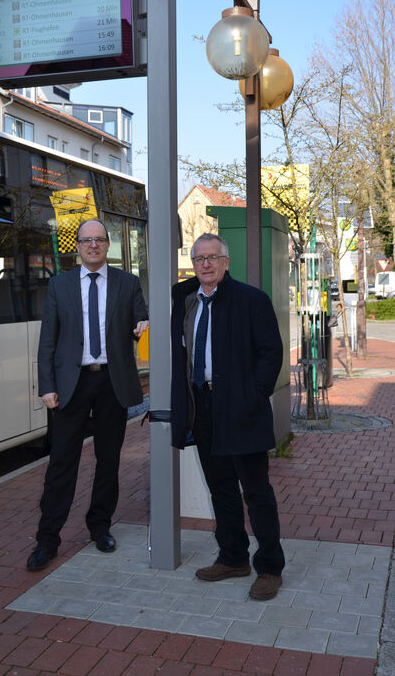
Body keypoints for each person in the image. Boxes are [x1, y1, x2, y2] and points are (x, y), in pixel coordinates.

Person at [27, 218, 148, 570]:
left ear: (108, 245)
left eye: (99, 239)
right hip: (71, 384)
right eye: (86, 240)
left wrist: (143, 324)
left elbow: (141, 317)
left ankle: (100, 527)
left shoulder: (127, 283)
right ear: (77, 246)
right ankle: (47, 540)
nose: (93, 245)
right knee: (62, 463)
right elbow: (48, 338)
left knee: (108, 461)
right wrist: (46, 385)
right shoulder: (60, 285)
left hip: (112, 381)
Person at [171, 233, 285, 600]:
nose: (205, 264)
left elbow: (271, 352)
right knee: (220, 487)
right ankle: (233, 556)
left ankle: (269, 566)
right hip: (202, 407)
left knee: (256, 491)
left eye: (213, 257)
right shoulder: (185, 300)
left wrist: (255, 395)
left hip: (241, 408)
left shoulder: (251, 300)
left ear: (226, 261)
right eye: (199, 258)